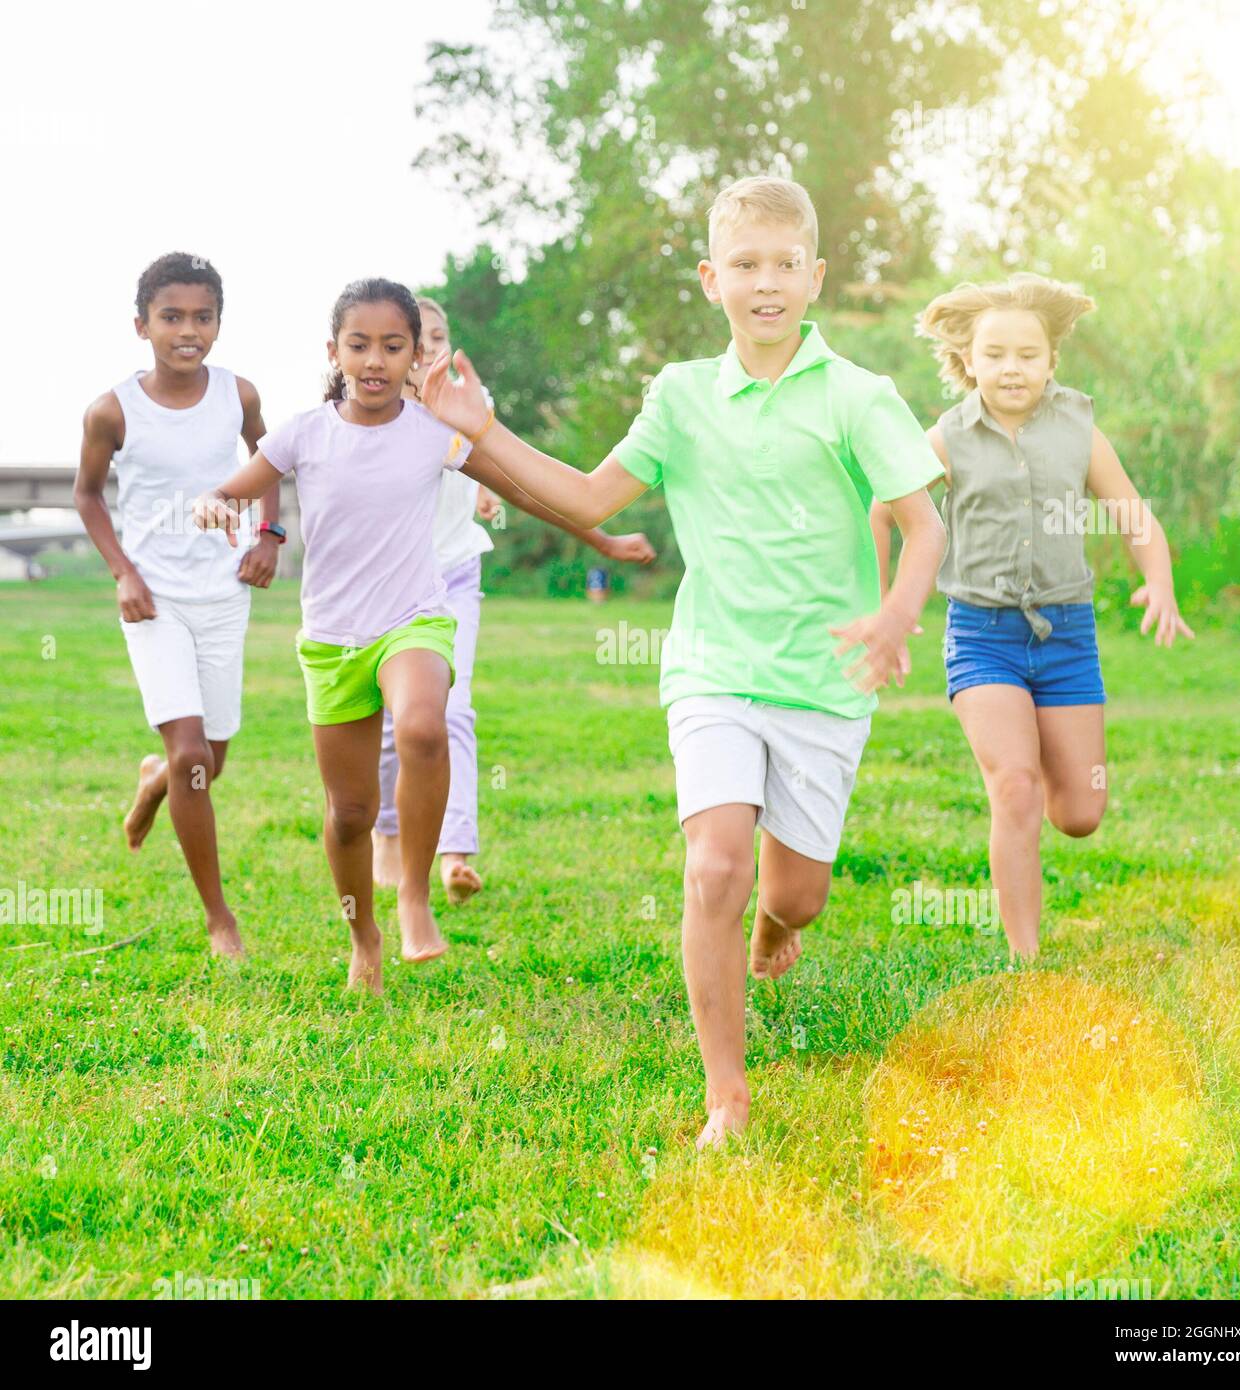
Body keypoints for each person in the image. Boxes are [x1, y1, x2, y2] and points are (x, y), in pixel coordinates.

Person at [418, 177, 948, 1147]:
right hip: (712, 668)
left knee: (797, 894)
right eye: (745, 264)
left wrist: (895, 616)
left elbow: (922, 524)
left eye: (786, 263)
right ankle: (727, 1097)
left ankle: (776, 924)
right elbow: (586, 500)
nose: (767, 282)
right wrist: (482, 431)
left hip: (824, 686)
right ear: (712, 279)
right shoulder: (679, 396)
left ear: (816, 275)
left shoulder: (858, 396)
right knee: (713, 867)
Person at [871, 271, 1194, 962]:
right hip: (981, 637)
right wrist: (885, 606)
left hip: (1068, 636)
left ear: (1051, 360)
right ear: (968, 362)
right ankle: (1028, 958)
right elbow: (882, 506)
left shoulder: (1078, 427)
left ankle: (1046, 755)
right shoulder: (946, 438)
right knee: (1014, 789)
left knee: (1079, 814)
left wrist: (1158, 583)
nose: (1011, 368)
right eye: (995, 355)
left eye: (1027, 354)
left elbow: (1132, 514)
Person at [372, 296, 657, 902]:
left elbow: (528, 485)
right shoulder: (376, 414)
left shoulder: (470, 410)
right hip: (390, 586)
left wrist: (602, 539)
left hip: (453, 577)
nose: (426, 352)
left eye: (437, 338)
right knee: (397, 724)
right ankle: (388, 833)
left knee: (453, 710)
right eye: (412, 341)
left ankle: (454, 852)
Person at [75, 251, 283, 958]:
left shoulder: (239, 395)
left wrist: (270, 538)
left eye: (202, 317)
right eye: (171, 317)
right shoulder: (112, 410)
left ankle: (153, 783)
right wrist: (122, 572)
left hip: (224, 595)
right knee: (193, 752)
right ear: (142, 325)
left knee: (209, 760)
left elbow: (270, 462)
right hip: (154, 602)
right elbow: (87, 494)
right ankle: (219, 918)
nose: (187, 330)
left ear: (219, 323)